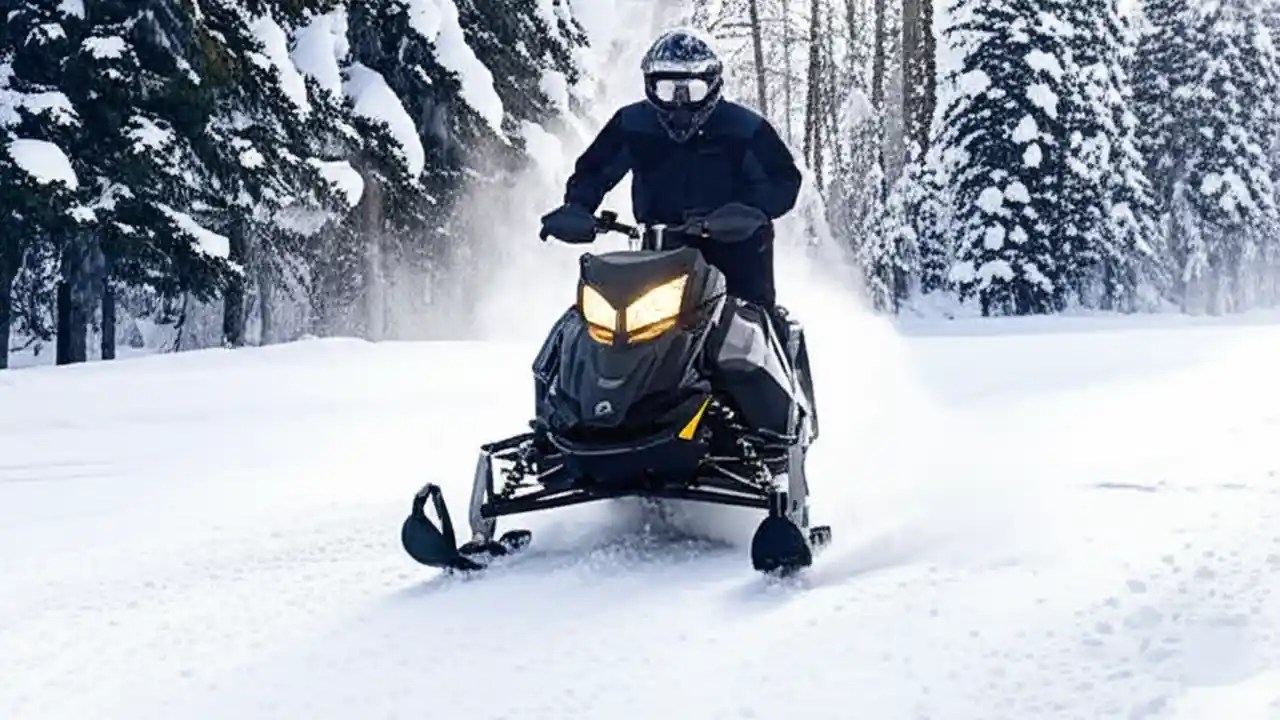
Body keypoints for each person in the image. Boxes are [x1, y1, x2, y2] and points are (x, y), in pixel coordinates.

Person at [539, 28, 802, 311]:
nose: (680, 103)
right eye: (668, 90)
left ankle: (770, 341)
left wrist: (748, 212)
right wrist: (579, 206)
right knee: (604, 328)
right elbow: (595, 169)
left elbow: (783, 179)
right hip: (659, 258)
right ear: (651, 87)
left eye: (692, 90)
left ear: (712, 87)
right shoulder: (633, 124)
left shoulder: (744, 129)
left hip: (736, 260)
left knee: (749, 329)